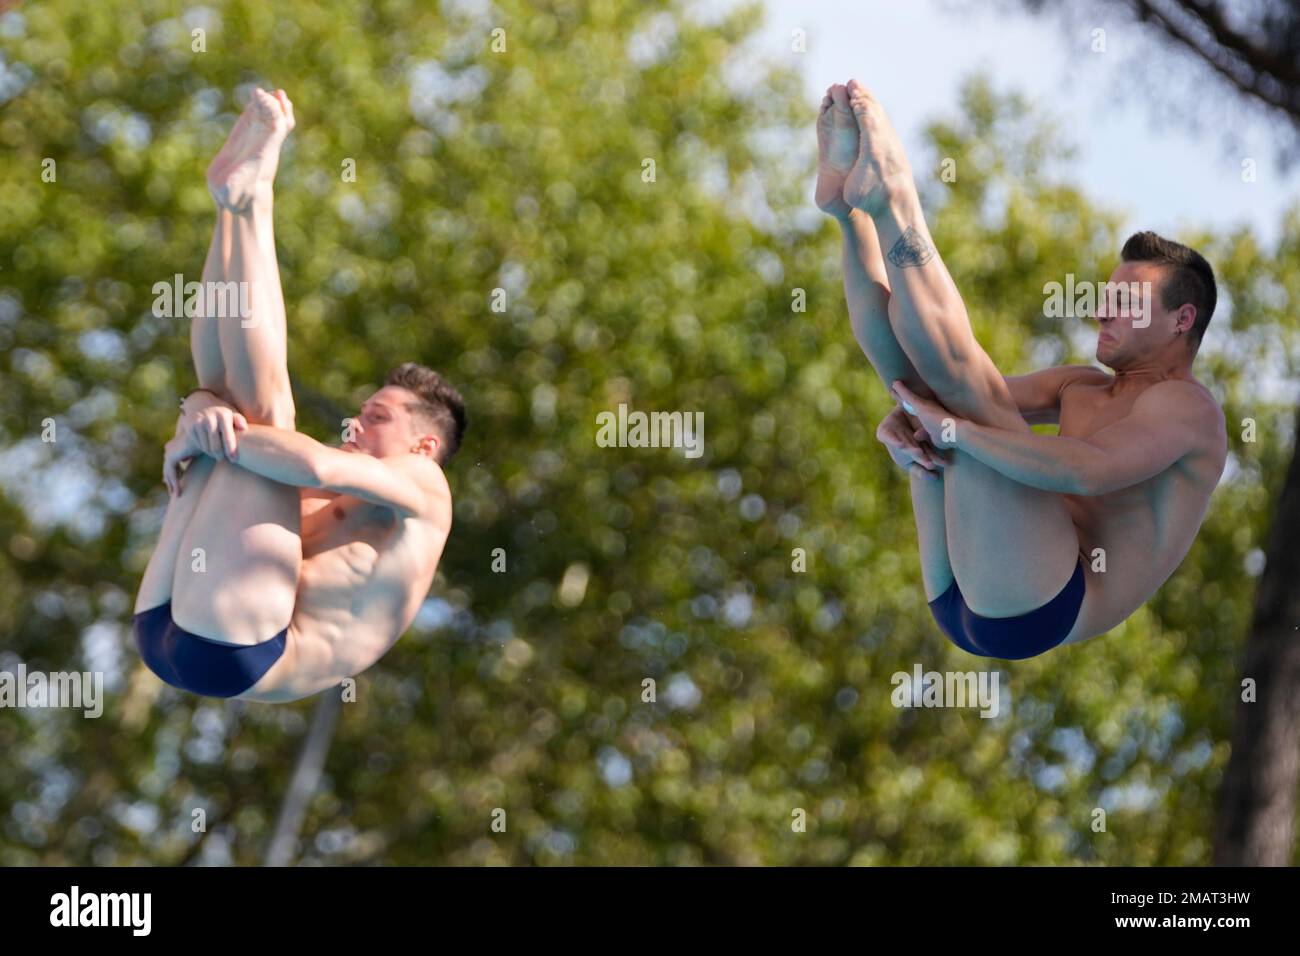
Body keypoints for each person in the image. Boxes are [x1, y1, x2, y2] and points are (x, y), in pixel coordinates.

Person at [816, 80, 1226, 659]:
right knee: (932, 386)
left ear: (1183, 319)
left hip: (1050, 599)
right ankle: (849, 214)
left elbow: (1088, 470)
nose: (1101, 309)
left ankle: (894, 197)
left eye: (1126, 300)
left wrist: (954, 430)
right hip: (969, 589)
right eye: (1104, 294)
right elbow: (934, 390)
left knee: (964, 392)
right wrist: (905, 420)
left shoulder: (1190, 409)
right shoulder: (1081, 384)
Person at [132, 88, 464, 701]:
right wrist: (197, 412)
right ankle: (232, 210)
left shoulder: (425, 487)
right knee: (238, 411)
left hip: (240, 649)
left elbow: (308, 459)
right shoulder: (334, 487)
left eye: (376, 416)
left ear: (423, 443)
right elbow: (258, 445)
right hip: (178, 629)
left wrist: (197, 425)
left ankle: (252, 203)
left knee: (266, 420)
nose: (355, 424)